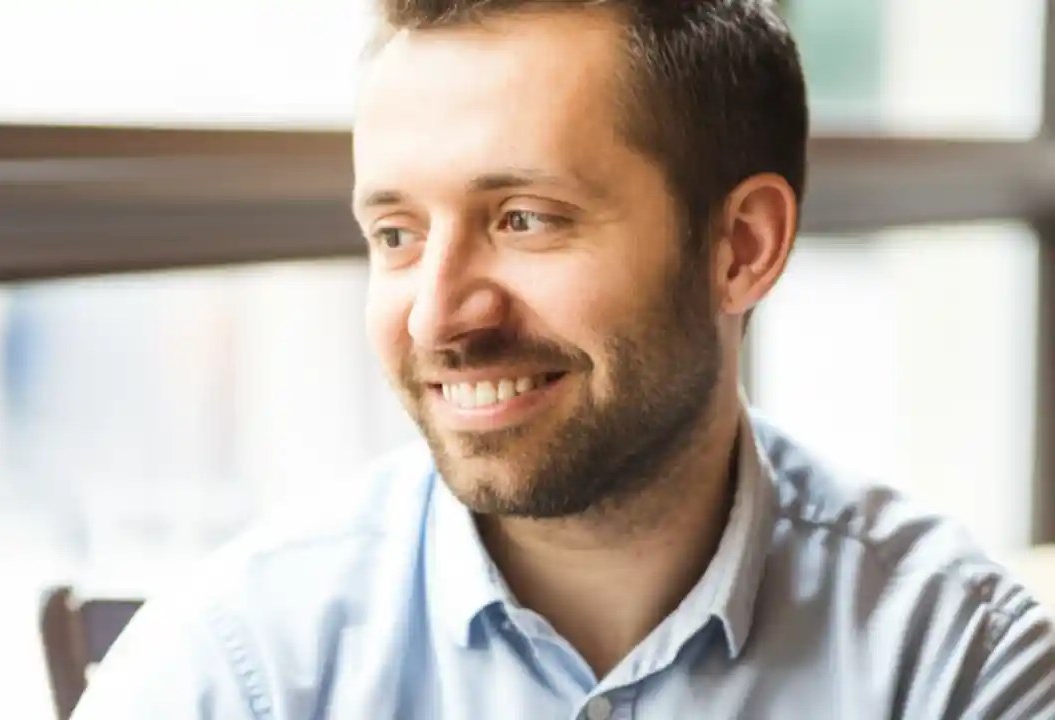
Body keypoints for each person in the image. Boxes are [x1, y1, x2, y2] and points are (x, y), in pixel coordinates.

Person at [73, 1, 1055, 718]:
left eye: (524, 219)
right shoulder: (233, 668)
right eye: (396, 234)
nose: (437, 319)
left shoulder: (957, 665)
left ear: (740, 248)